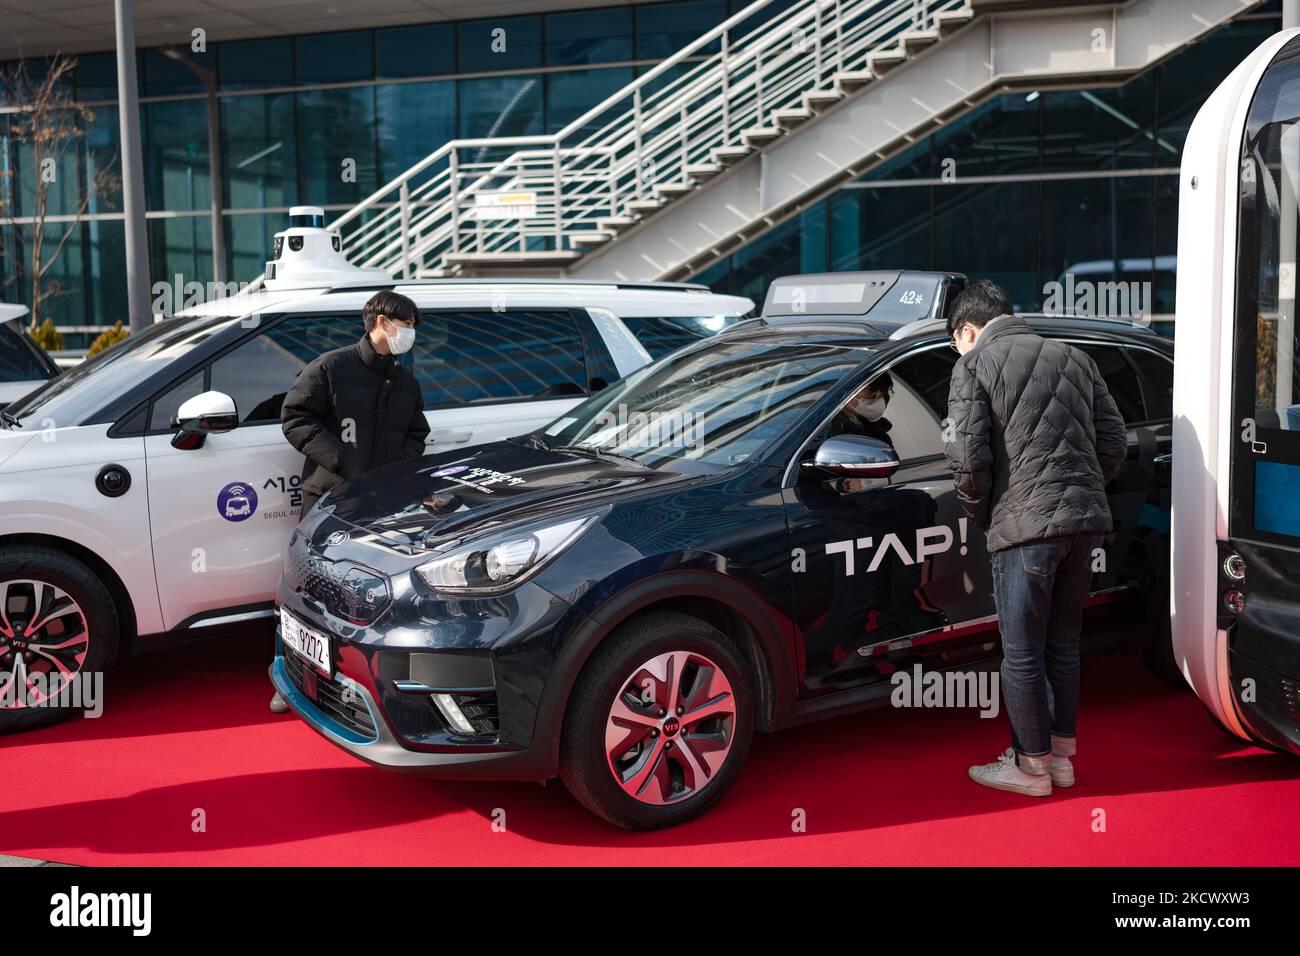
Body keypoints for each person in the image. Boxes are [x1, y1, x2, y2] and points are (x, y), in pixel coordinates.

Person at [944, 279, 1126, 796]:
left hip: (1023, 529)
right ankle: (1062, 761)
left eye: (955, 340)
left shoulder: (972, 365)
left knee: (1022, 653)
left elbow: (966, 457)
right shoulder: (1074, 356)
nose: (956, 350)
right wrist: (1080, 490)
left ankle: (1031, 768)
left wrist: (984, 514)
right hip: (1085, 524)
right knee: (1063, 645)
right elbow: (1113, 441)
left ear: (968, 330)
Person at [269, 290, 431, 713]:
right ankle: (288, 675)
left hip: (385, 506)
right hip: (329, 499)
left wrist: (399, 468)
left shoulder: (404, 379)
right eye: (406, 324)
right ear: (381, 322)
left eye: (413, 326)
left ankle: (353, 684)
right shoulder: (331, 368)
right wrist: (342, 461)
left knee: (365, 595)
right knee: (306, 589)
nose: (409, 334)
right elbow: (295, 417)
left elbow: (418, 432)